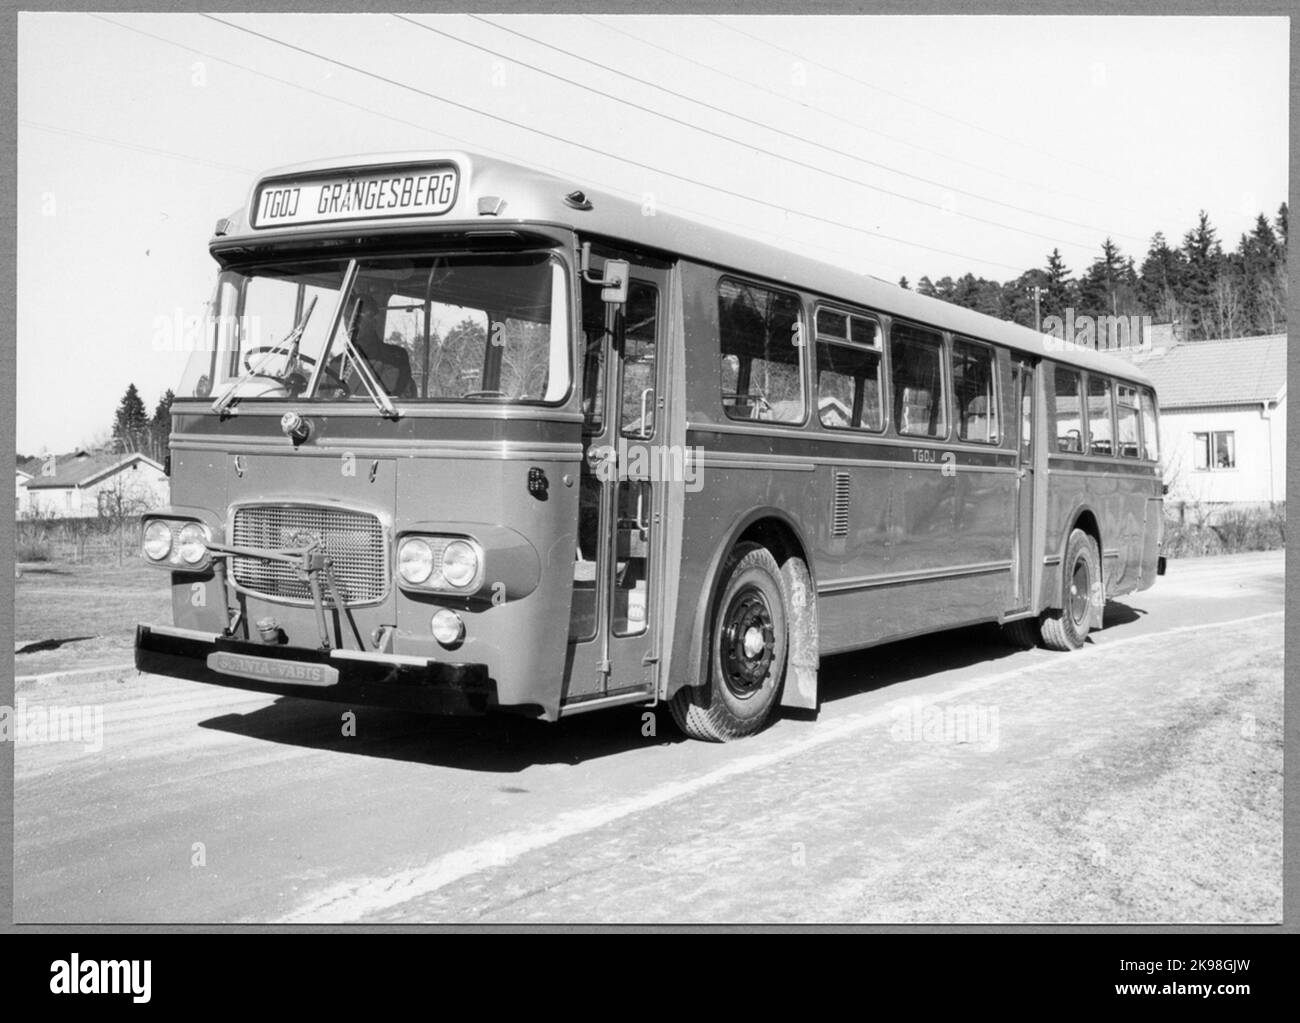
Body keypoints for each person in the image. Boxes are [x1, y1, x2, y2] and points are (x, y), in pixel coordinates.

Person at [333, 290, 415, 398]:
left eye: (357, 318)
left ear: (374, 320)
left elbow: (386, 400)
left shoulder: (393, 358)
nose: (351, 323)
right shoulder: (336, 363)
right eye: (347, 317)